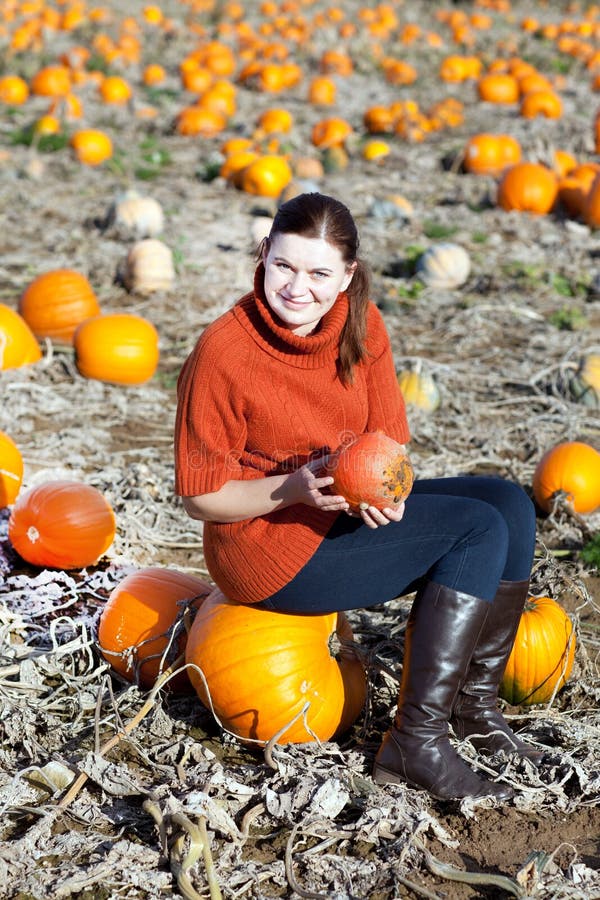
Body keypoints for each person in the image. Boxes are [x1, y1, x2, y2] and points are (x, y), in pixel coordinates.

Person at [174, 191, 544, 803]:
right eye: (285, 266)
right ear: (263, 256)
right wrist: (290, 489)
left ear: (347, 275)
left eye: (319, 273)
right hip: (266, 552)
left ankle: (474, 709)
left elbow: (389, 441)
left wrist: (387, 493)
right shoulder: (225, 353)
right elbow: (201, 498)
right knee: (475, 531)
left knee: (507, 504)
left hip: (339, 518)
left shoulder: (362, 324)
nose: (298, 288)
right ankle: (414, 742)